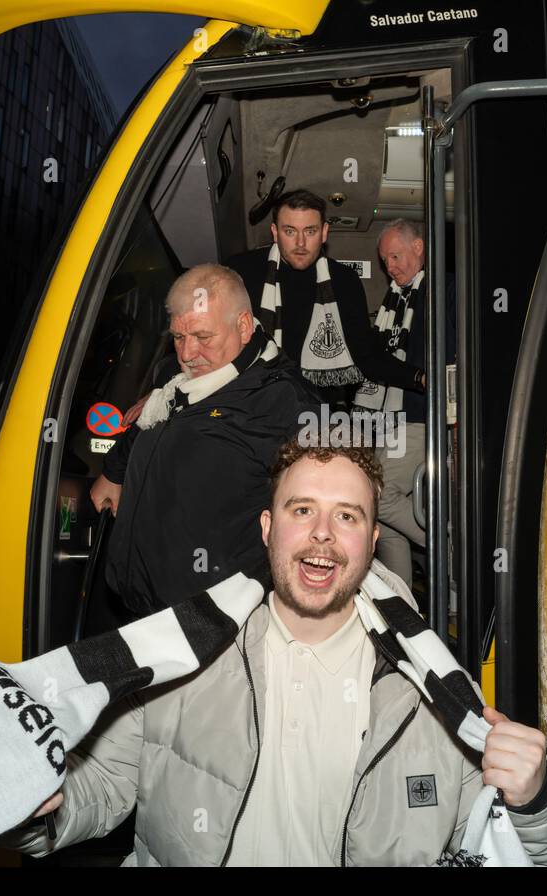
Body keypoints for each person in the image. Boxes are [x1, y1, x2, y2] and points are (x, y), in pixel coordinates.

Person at [4, 440, 547, 866]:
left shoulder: (432, 684)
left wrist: (535, 798)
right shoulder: (186, 653)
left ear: (372, 542)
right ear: (267, 527)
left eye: (347, 516)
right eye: (302, 510)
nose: (322, 533)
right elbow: (101, 785)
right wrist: (38, 810)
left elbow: (514, 847)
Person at [89, 263, 320, 617]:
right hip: (140, 606)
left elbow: (316, 514)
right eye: (178, 338)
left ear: (243, 326)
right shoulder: (175, 381)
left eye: (202, 337)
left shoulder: (286, 401)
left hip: (211, 621)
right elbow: (157, 419)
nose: (187, 353)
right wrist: (115, 470)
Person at [227, 189, 425, 406]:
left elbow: (367, 355)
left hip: (314, 412)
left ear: (324, 232)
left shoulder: (343, 281)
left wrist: (419, 377)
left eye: (310, 231)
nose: (301, 243)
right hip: (250, 405)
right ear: (275, 232)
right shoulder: (241, 272)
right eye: (290, 231)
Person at [352, 219, 455, 588]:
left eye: (395, 256)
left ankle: (448, 551)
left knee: (377, 495)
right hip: (393, 418)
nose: (390, 267)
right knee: (380, 517)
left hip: (422, 417)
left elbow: (453, 357)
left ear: (419, 248)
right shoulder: (396, 299)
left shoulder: (444, 289)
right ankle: (401, 604)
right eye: (385, 261)